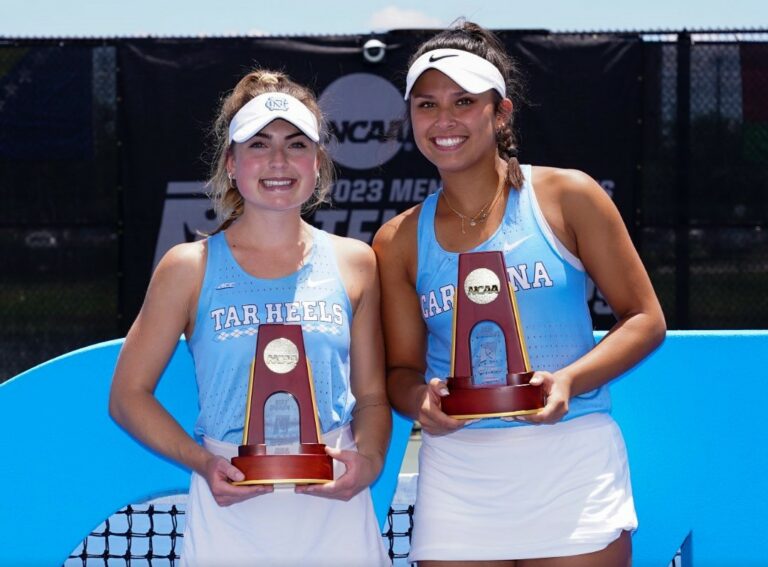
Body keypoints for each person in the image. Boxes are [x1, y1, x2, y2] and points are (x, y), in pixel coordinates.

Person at [373, 21, 666, 567]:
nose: (444, 121)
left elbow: (645, 319)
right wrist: (422, 403)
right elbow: (401, 372)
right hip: (459, 475)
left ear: (501, 111)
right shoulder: (397, 241)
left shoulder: (568, 196)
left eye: (464, 101)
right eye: (427, 105)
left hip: (572, 459)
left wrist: (568, 382)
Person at [109, 69, 391, 565]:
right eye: (259, 145)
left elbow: (370, 396)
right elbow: (128, 396)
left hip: (335, 513)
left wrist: (367, 462)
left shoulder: (355, 261)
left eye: (296, 144)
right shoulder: (187, 268)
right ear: (231, 163)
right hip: (231, 512)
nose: (278, 161)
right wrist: (204, 462)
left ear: (318, 162)